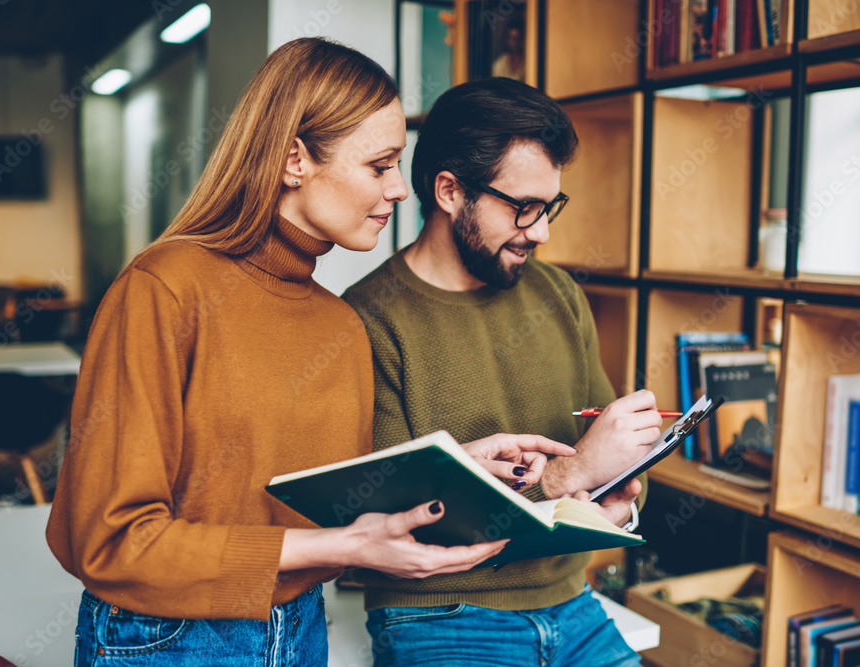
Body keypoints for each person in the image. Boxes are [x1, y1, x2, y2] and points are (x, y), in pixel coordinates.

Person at [46, 38, 574, 666]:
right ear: (295, 159)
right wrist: (342, 548)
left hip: (299, 631)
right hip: (164, 637)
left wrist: (456, 466)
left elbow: (338, 502)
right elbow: (110, 541)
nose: (402, 191)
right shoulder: (165, 288)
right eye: (379, 166)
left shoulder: (339, 323)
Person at [342, 77, 664, 666]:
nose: (540, 232)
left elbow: (599, 453)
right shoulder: (364, 323)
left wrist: (613, 499)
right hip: (440, 612)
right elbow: (390, 528)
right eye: (523, 208)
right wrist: (568, 479)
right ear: (449, 190)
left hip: (572, 600)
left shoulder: (559, 293)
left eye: (550, 208)